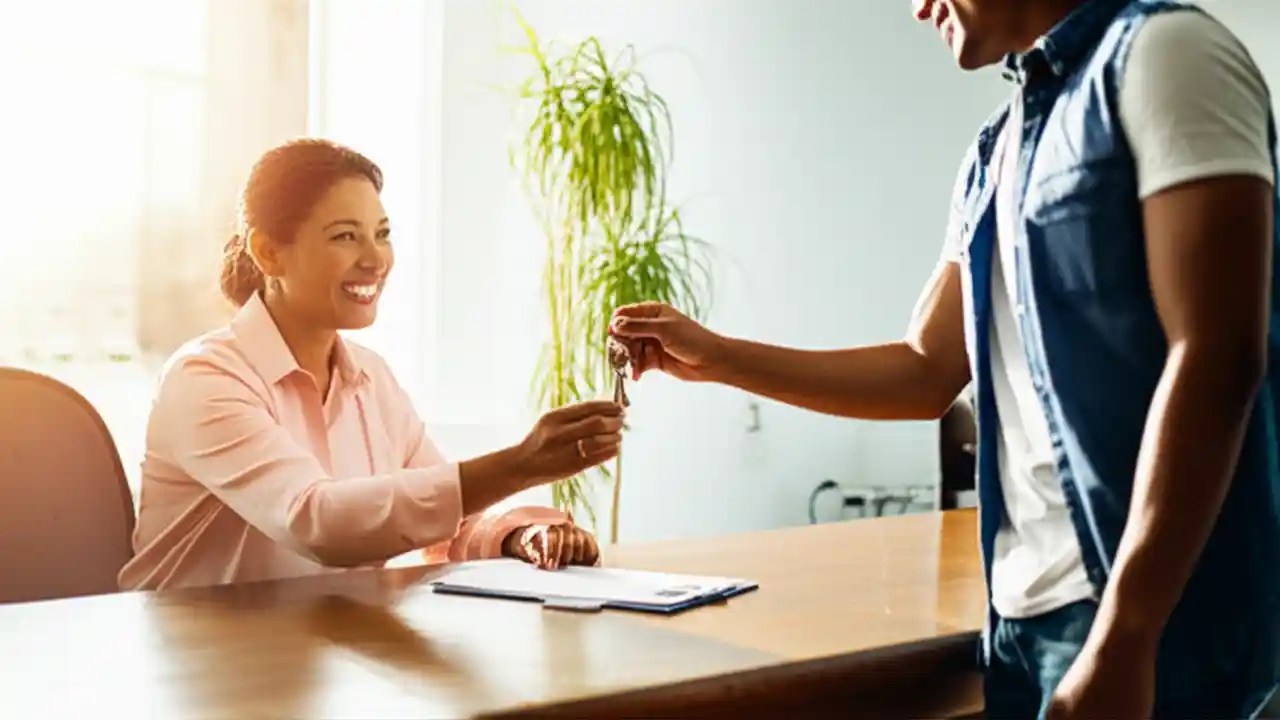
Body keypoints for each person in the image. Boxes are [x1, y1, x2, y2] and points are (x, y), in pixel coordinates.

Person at [611, 1, 1279, 717]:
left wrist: (1128, 633)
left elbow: (1218, 355)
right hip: (1021, 622)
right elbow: (926, 368)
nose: (918, 5)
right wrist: (716, 358)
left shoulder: (1168, 54)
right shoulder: (995, 150)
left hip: (1153, 620)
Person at [120, 139, 620, 591]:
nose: (375, 259)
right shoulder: (205, 378)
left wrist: (521, 535)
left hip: (319, 656)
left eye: (382, 234)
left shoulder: (370, 377)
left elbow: (450, 520)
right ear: (269, 253)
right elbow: (316, 522)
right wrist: (521, 463)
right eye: (344, 237)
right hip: (194, 668)